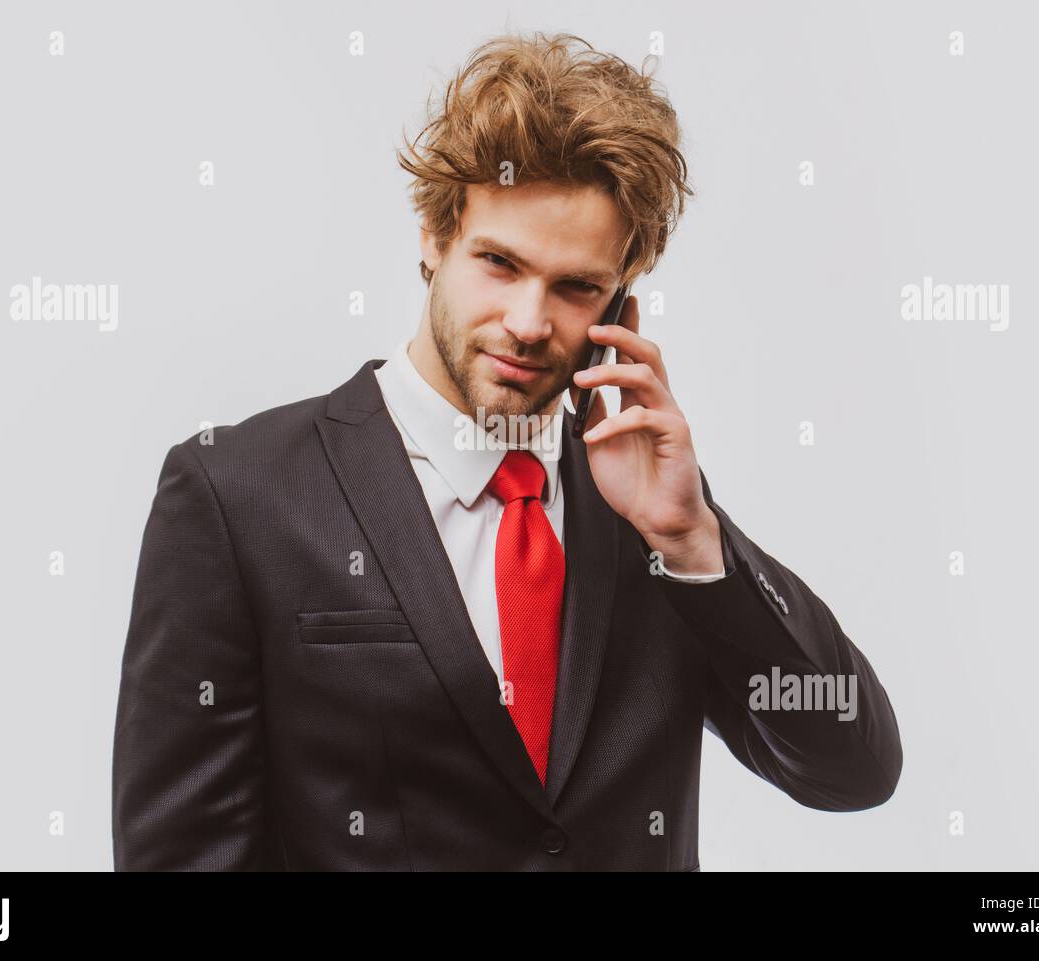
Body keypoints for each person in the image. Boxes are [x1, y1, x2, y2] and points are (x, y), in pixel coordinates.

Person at [112, 30, 902, 871]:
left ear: (621, 304)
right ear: (432, 236)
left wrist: (692, 541)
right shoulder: (241, 492)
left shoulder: (651, 512)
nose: (529, 323)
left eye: (575, 287)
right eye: (499, 263)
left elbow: (853, 768)